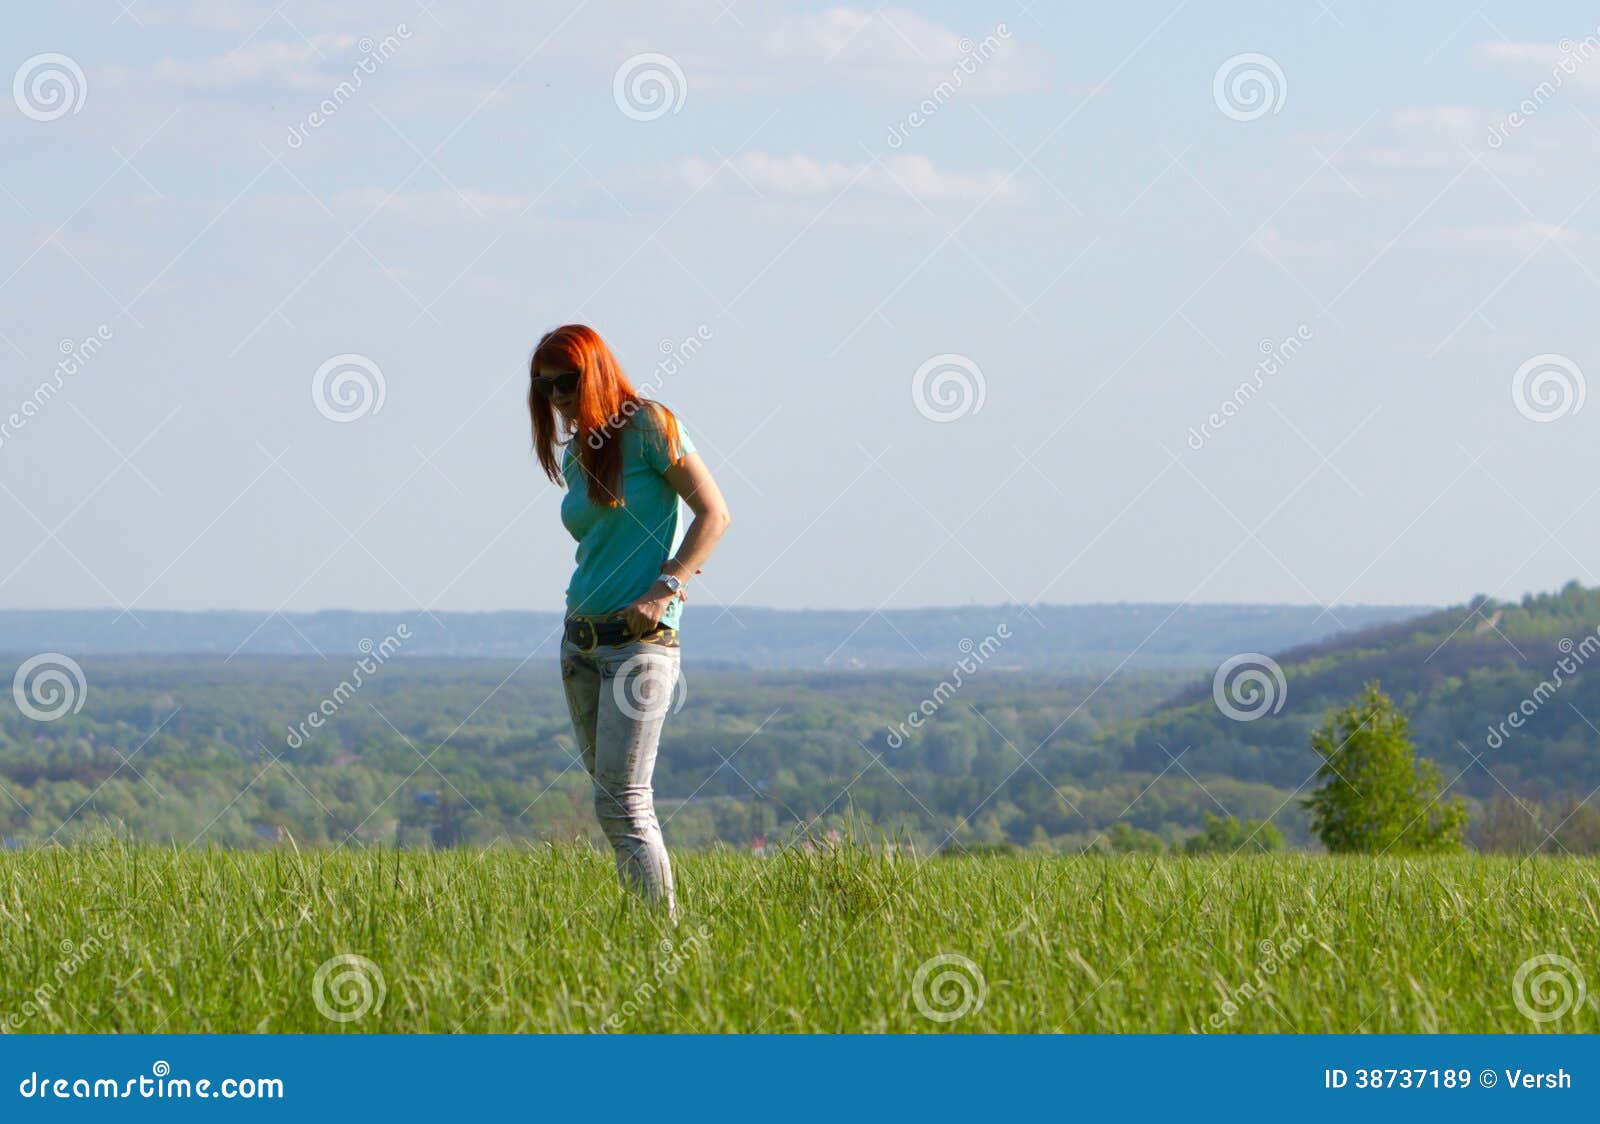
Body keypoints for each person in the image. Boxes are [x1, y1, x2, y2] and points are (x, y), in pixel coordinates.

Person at [529, 324, 730, 917]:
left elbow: (714, 514)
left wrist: (667, 586)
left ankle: (658, 944)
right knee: (608, 800)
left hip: (640, 646)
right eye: (545, 388)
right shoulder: (577, 450)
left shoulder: (649, 425)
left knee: (624, 801)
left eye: (567, 382)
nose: (558, 396)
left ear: (595, 372)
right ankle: (641, 927)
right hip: (580, 644)